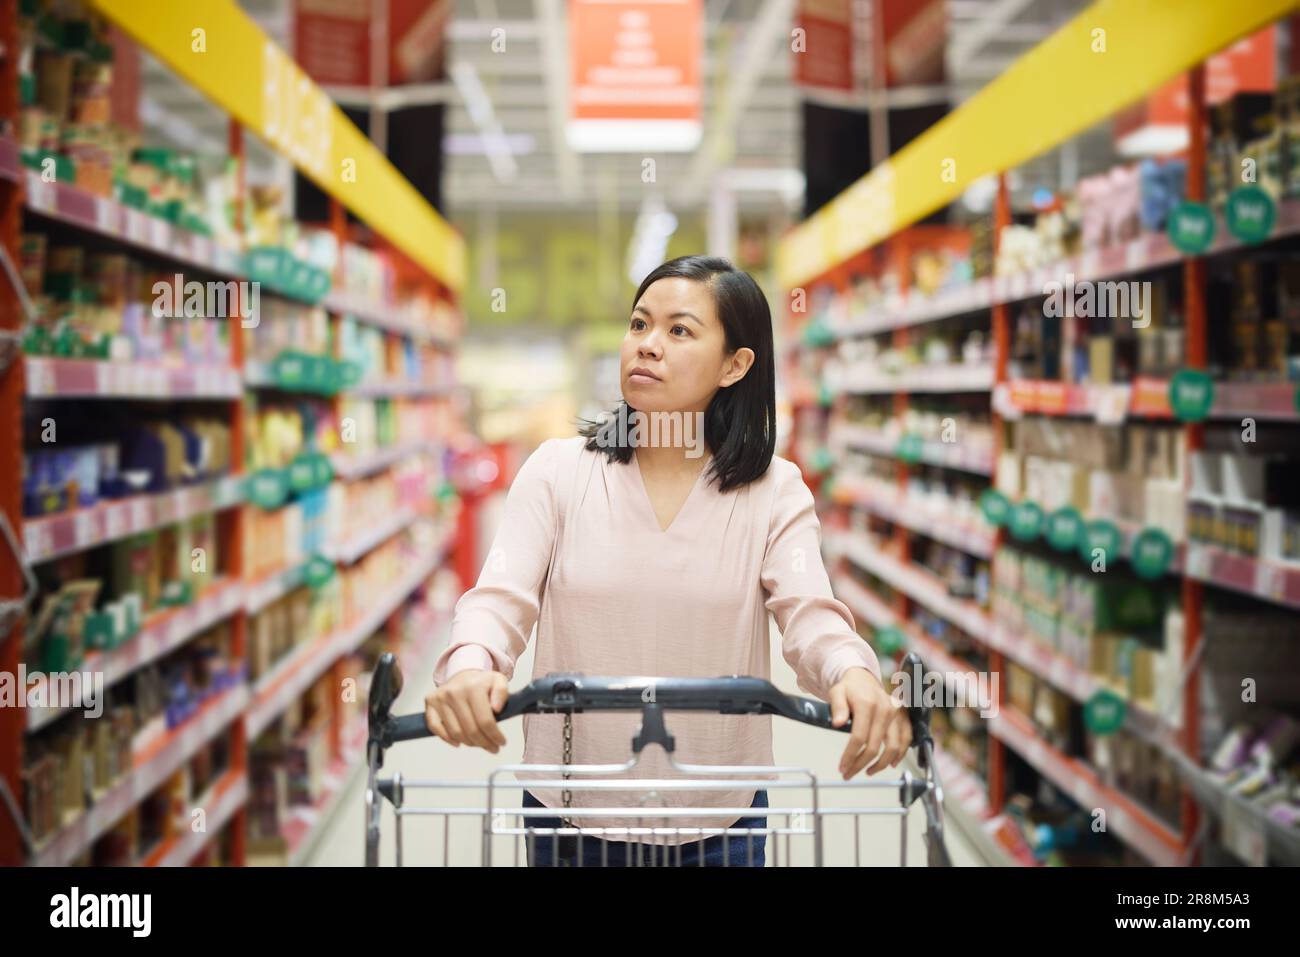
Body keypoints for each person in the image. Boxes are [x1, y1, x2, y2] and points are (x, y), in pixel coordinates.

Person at [424, 255, 911, 867]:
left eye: (679, 330)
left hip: (718, 814)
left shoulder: (772, 490)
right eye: (638, 325)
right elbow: (498, 600)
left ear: (735, 365)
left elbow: (811, 614)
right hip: (572, 812)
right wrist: (472, 665)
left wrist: (853, 675)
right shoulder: (558, 471)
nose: (647, 346)